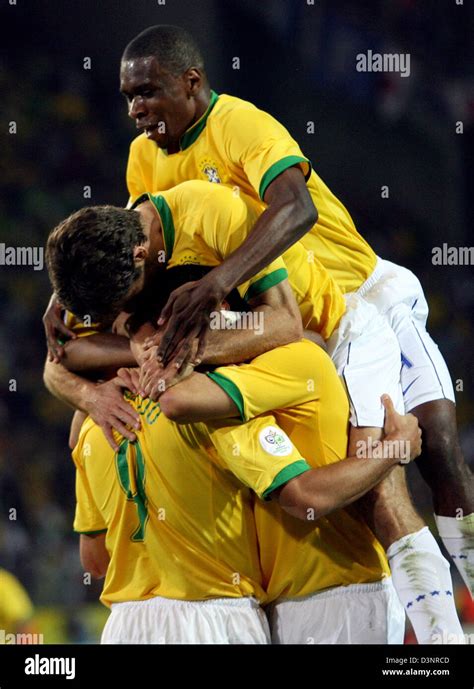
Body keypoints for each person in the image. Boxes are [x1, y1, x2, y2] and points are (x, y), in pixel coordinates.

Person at [110, 24, 472, 604]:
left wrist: (218, 282)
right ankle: (426, 628)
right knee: (374, 482)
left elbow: (296, 206)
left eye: (147, 92)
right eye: (128, 97)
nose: (136, 109)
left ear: (192, 82)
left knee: (437, 442)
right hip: (285, 323)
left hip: (356, 296)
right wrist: (71, 299)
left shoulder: (239, 124)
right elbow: (126, 250)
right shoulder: (142, 157)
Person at [44, 182, 465, 644]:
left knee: (386, 499)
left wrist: (131, 373)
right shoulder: (222, 402)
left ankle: (443, 648)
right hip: (261, 607)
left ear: (216, 315)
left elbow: (96, 559)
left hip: (330, 595)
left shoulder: (117, 423)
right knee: (381, 480)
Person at [72, 315, 419, 644]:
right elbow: (305, 496)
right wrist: (395, 448)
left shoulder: (91, 428)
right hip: (220, 613)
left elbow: (95, 560)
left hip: (126, 624)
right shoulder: (213, 410)